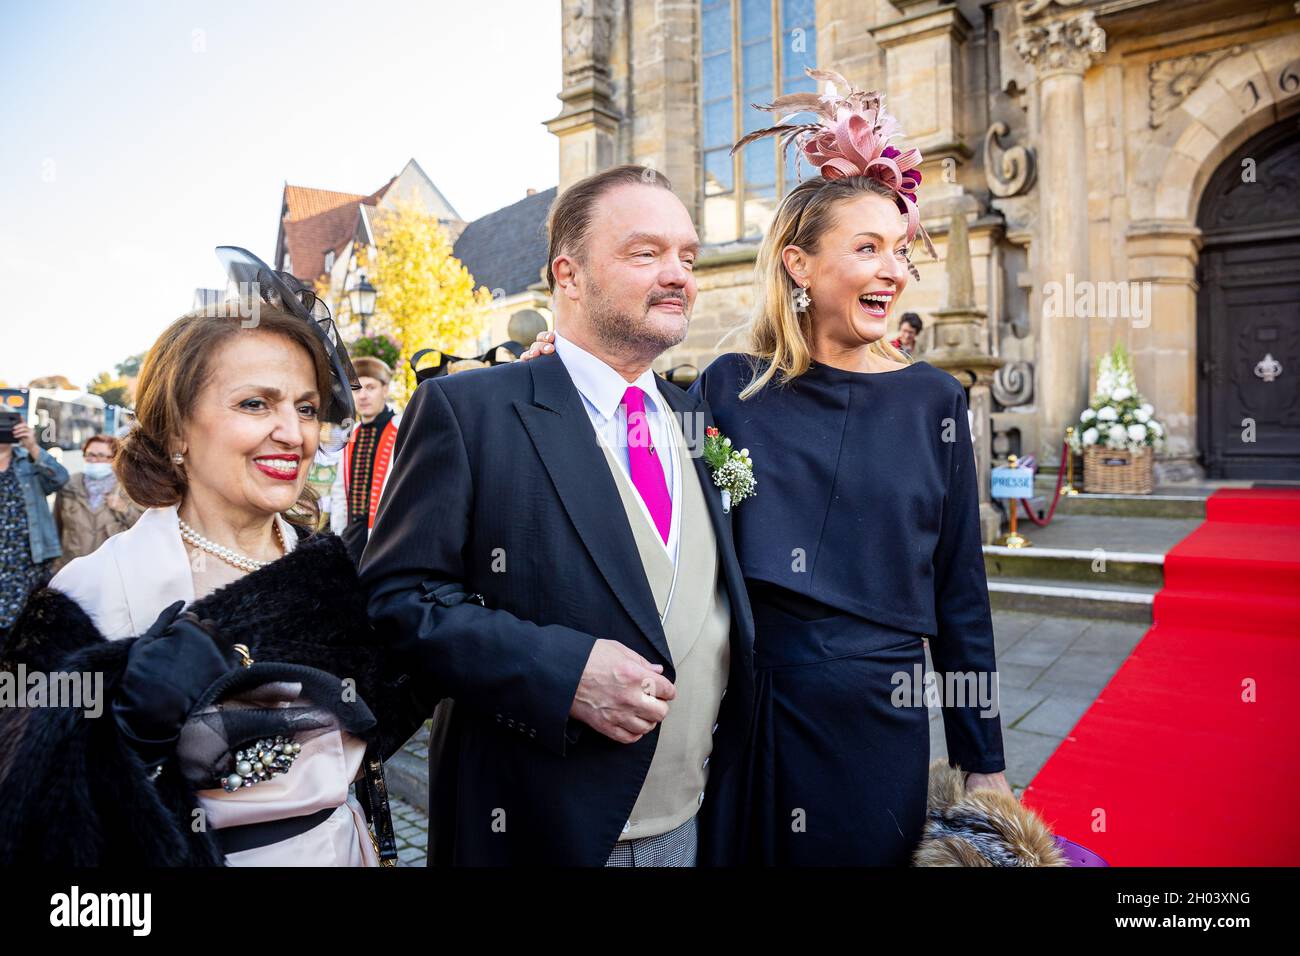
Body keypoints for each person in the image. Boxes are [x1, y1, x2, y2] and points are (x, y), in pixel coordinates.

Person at [525, 69, 1008, 865]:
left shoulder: (935, 402)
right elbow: (629, 452)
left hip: (878, 727)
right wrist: (564, 372)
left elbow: (962, 592)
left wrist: (982, 762)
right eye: (866, 248)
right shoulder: (728, 390)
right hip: (750, 718)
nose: (893, 270)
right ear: (799, 265)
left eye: (900, 251)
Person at [360, 164, 755, 867]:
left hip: (692, 822)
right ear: (568, 275)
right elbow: (399, 601)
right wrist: (561, 672)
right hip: (540, 827)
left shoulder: (697, 418)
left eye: (688, 257)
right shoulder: (469, 412)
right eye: (645, 253)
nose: (678, 275)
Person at [0, 248, 430, 866]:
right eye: (255, 403)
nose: (293, 433)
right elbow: (28, 814)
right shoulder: (93, 590)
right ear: (177, 429)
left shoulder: (331, 566)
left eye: (306, 408)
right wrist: (131, 735)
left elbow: (376, 726)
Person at [0, 419, 68, 635]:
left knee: (25, 627)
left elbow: (60, 479)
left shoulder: (28, 460)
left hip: (27, 561)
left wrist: (32, 446)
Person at [329, 356, 399, 561]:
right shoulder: (351, 434)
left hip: (387, 535)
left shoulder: (402, 429)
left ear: (385, 390)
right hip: (351, 536)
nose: (363, 396)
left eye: (370, 387)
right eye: (357, 389)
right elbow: (340, 490)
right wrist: (338, 534)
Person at [52, 433, 144, 571]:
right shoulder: (69, 485)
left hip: (112, 569)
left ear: (114, 459)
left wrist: (125, 509)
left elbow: (144, 530)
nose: (94, 460)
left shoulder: (129, 489)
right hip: (72, 567)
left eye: (101, 456)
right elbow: (56, 526)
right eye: (90, 455)